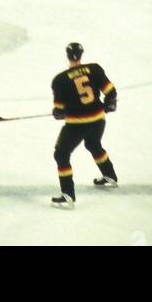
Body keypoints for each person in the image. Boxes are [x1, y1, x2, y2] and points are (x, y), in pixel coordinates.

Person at [50, 43, 118, 207]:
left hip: (76, 125)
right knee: (94, 144)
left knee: (61, 154)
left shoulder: (60, 80)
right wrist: (109, 103)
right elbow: (111, 91)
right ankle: (110, 176)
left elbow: (59, 109)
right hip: (98, 120)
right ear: (81, 54)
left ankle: (68, 195)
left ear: (67, 55)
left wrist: (58, 112)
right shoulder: (94, 69)